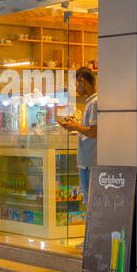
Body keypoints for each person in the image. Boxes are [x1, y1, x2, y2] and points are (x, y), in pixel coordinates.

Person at [58, 66, 98, 205]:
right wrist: (74, 127)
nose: (76, 89)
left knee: (90, 202)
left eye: (76, 85)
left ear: (82, 81)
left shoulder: (95, 103)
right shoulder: (90, 102)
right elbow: (89, 130)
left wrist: (76, 126)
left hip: (90, 161)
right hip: (86, 160)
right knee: (88, 201)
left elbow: (94, 132)